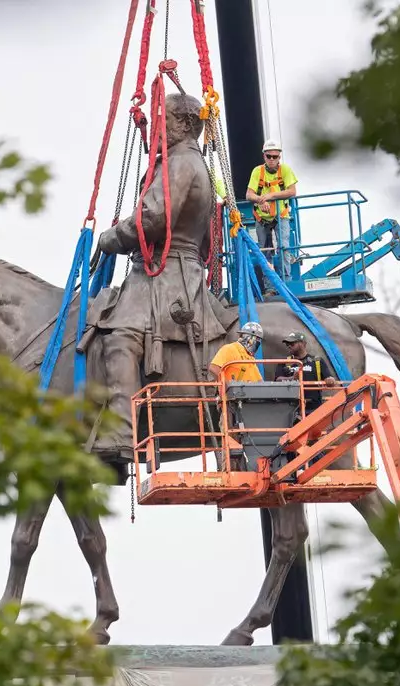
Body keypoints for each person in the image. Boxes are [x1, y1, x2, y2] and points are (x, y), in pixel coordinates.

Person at [91, 93, 230, 471]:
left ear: (184, 124)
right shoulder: (190, 163)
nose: (155, 128)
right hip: (179, 266)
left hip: (166, 273)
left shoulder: (180, 164)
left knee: (120, 333)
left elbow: (149, 220)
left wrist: (109, 238)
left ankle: (121, 431)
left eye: (161, 120)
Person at [245, 139, 298, 288]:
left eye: (275, 157)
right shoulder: (257, 171)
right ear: (264, 156)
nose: (272, 160)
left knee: (284, 248)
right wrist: (261, 201)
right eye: (269, 156)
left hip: (281, 216)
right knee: (265, 251)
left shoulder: (285, 170)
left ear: (279, 157)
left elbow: (292, 191)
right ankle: (270, 286)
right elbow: (249, 194)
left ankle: (286, 284)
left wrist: (270, 196)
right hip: (262, 218)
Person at [273, 331, 337, 412]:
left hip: (314, 409)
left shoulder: (317, 361)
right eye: (287, 344)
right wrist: (293, 378)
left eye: (292, 343)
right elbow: (277, 381)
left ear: (303, 343)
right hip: (291, 410)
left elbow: (329, 378)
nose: (289, 346)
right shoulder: (284, 362)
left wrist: (330, 380)